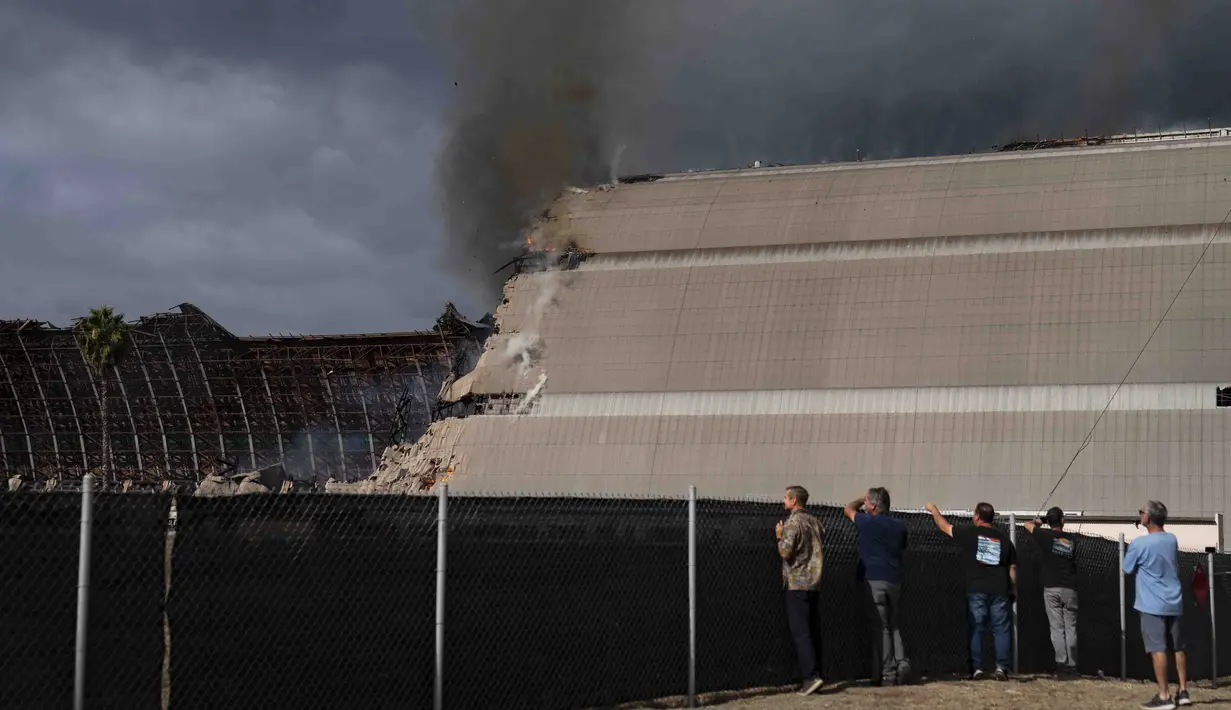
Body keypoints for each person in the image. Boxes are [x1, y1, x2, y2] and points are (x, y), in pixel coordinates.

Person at [925, 501, 1016, 680]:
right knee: (1001, 629)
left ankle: (977, 668)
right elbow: (1012, 567)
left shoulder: (969, 532)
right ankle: (1001, 668)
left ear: (976, 517)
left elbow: (944, 526)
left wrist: (933, 509)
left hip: (977, 589)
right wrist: (1013, 589)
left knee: (976, 628)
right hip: (999, 590)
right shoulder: (1004, 539)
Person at [1123, 501, 1191, 709]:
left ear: (1148, 517)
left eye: (1141, 512)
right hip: (1174, 601)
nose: (1139, 514)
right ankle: (1183, 691)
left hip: (1152, 604)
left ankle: (1164, 697)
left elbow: (1127, 568)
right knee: (1177, 648)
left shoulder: (1139, 544)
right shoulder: (1171, 539)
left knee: (1157, 648)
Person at [844, 487, 911, 686]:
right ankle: (902, 662)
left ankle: (888, 672)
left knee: (880, 627)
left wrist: (860, 499)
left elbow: (848, 509)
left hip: (874, 579)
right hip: (895, 580)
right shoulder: (900, 526)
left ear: (872, 506)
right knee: (893, 624)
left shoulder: (868, 522)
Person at [776, 485, 826, 696]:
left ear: (794, 501)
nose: (783, 501)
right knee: (813, 630)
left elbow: (786, 552)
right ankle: (818, 672)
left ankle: (810, 676)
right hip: (814, 581)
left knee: (801, 631)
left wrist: (779, 536)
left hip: (797, 582)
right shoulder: (814, 522)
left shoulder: (793, 522)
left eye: (786, 498)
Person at [1024, 507, 1079, 675]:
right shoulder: (1071, 540)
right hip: (1069, 588)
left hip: (1051, 588)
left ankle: (1061, 664)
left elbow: (1027, 524)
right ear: (1062, 521)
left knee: (1057, 628)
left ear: (1050, 522)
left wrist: (1041, 522)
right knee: (1071, 628)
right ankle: (1072, 665)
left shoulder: (1044, 536)